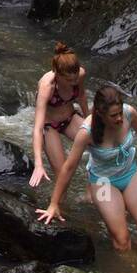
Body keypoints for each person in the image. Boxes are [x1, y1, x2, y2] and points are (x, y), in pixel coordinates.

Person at [37, 82, 137, 251]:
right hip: (103, 181)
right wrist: (54, 204)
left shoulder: (128, 112)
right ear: (100, 114)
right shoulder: (87, 132)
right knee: (122, 241)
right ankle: (130, 268)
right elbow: (69, 167)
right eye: (113, 115)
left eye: (119, 113)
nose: (119, 118)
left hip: (130, 173)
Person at [30, 41, 89, 187]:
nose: (73, 82)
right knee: (63, 175)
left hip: (70, 118)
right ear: (57, 74)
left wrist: (89, 118)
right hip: (49, 126)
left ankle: (91, 192)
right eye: (69, 80)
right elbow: (37, 128)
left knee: (101, 146)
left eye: (75, 78)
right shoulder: (47, 86)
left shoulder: (79, 74)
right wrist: (38, 164)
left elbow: (81, 96)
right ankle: (58, 206)